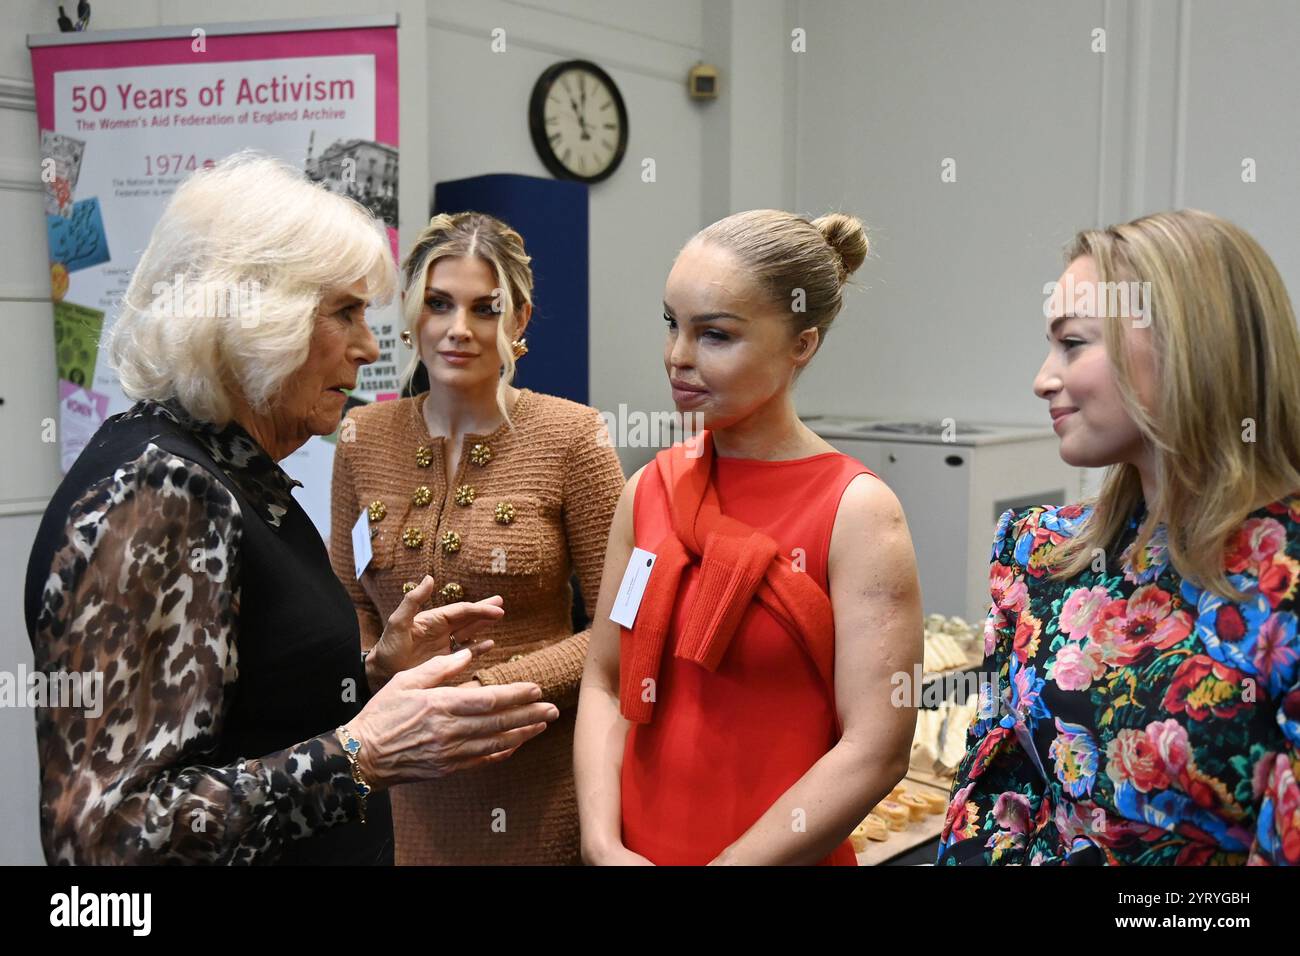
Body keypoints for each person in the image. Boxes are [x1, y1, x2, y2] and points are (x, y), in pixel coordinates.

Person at [23, 153, 559, 865]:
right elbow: (107, 839)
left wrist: (371, 673)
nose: (371, 346)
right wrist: (363, 753)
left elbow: (249, 706)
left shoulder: (234, 470)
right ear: (257, 320)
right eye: (344, 312)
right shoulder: (160, 495)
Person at [939, 209, 1300, 865]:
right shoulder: (1036, 555)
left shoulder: (1286, 579)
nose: (1042, 379)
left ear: (1190, 346)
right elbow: (996, 795)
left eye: (1073, 344)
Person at [574, 210, 924, 865]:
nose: (678, 356)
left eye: (716, 335)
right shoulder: (649, 490)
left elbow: (877, 749)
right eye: (671, 324)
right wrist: (599, 843)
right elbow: (604, 679)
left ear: (802, 344)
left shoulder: (857, 513)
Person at [329, 212, 625, 864]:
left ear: (518, 321)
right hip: (406, 778)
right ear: (412, 315)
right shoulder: (360, 439)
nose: (458, 329)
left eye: (484, 308)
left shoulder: (574, 435)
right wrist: (377, 663)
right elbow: (346, 599)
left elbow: (623, 622)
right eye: (439, 304)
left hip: (539, 772)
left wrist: (497, 691)